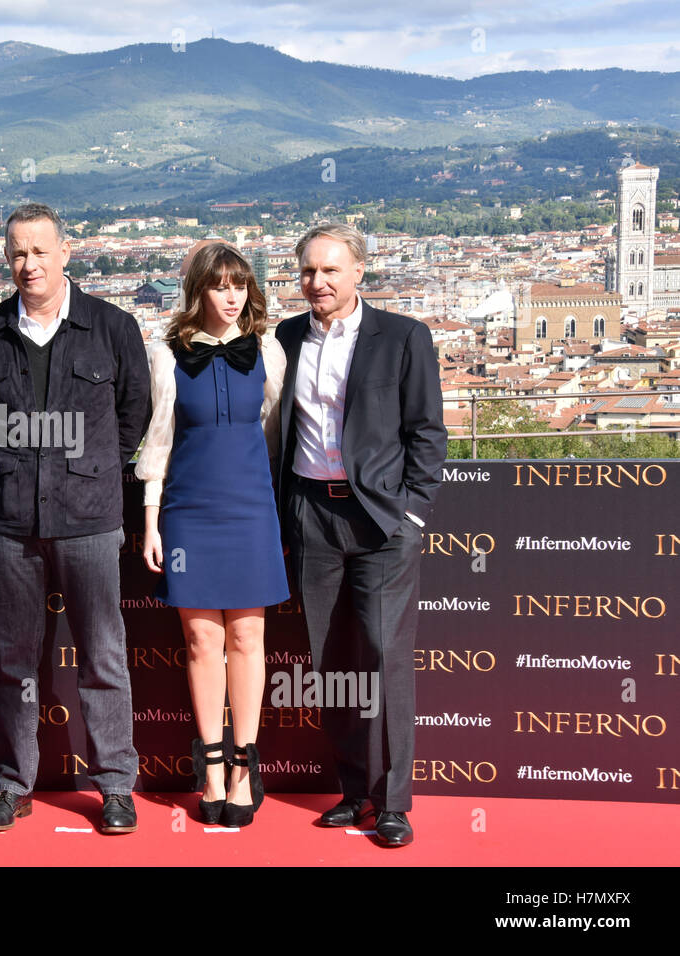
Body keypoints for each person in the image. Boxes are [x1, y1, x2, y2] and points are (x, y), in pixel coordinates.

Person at [0, 203, 151, 834]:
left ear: (66, 253)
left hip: (91, 520)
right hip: (12, 523)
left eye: (40, 250)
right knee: (13, 662)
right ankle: (12, 785)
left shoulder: (112, 326)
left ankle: (116, 785)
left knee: (104, 657)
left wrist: (91, 469)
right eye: (17, 251)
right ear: (4, 257)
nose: (28, 263)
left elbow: (133, 416)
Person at [275, 223, 446, 847]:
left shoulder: (403, 337)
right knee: (331, 661)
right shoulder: (287, 336)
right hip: (311, 514)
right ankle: (353, 790)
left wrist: (413, 511)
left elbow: (427, 431)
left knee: (383, 657)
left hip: (379, 520)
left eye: (330, 271)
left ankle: (393, 800)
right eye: (307, 272)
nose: (316, 283)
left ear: (359, 274)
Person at [137, 242, 289, 827]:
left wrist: (273, 509)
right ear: (198, 290)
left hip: (252, 508)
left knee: (249, 640)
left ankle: (247, 769)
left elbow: (274, 435)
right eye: (219, 285)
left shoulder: (270, 353)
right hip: (188, 513)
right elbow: (158, 442)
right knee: (203, 643)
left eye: (240, 285)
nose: (232, 296)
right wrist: (151, 520)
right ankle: (213, 768)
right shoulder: (167, 355)